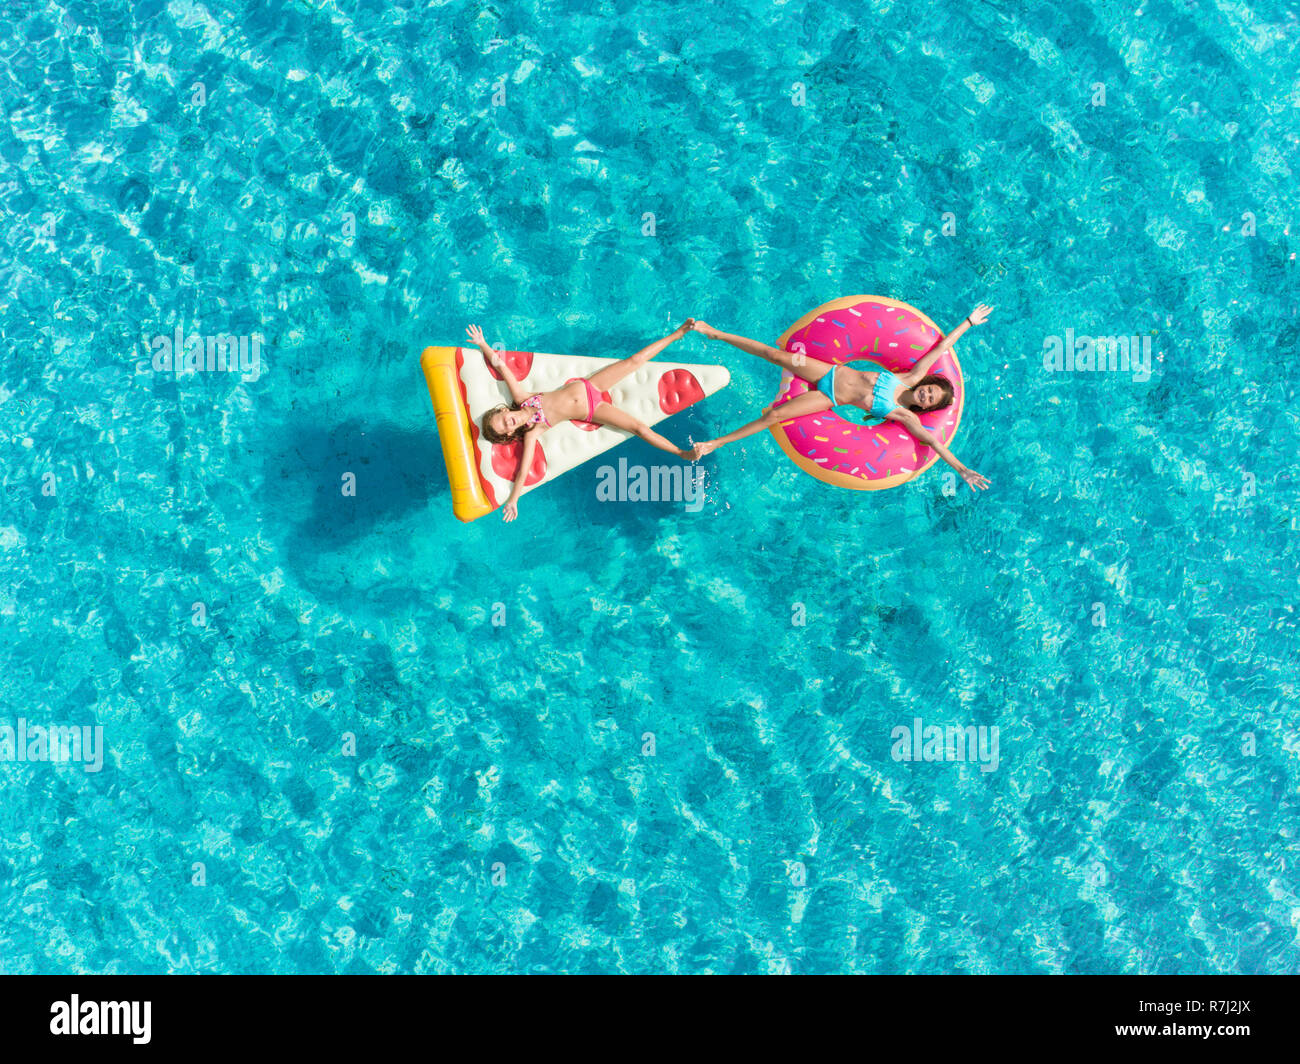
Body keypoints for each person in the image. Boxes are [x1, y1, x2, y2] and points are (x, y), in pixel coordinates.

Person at [687, 305, 993, 491]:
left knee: (774, 417)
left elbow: (935, 442)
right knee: (773, 354)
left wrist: (962, 469)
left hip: (829, 396)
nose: (926, 394)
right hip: (829, 370)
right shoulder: (909, 376)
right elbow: (940, 349)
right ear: (926, 384)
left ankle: (715, 443)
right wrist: (968, 322)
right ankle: (717, 334)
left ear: (928, 407)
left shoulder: (905, 416)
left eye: (930, 399)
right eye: (930, 389)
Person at [469, 321, 698, 520]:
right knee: (638, 428)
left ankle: (678, 333)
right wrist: (514, 499)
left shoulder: (522, 398)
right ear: (510, 434)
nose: (509, 421)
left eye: (504, 418)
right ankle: (681, 453)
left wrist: (483, 344)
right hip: (592, 409)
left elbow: (502, 367)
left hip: (592, 384)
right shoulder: (532, 432)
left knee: (635, 360)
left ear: (504, 411)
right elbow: (523, 469)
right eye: (506, 426)